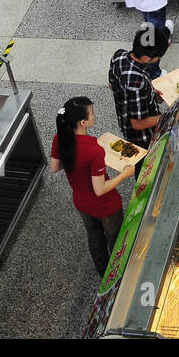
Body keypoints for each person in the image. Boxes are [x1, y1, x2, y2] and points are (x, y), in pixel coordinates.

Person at [50, 97, 134, 275]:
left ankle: (103, 272)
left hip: (82, 203)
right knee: (116, 240)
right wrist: (124, 174)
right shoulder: (94, 151)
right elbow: (100, 189)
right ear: (83, 122)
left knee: (94, 237)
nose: (94, 115)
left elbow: (54, 167)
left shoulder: (60, 139)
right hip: (105, 207)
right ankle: (118, 273)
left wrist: (74, 162)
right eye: (92, 113)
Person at [109, 26, 170, 153]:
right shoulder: (137, 84)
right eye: (159, 57)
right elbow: (137, 124)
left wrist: (149, 93)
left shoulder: (119, 55)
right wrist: (168, 117)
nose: (159, 59)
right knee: (146, 163)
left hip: (124, 119)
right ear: (146, 58)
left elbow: (112, 85)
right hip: (143, 137)